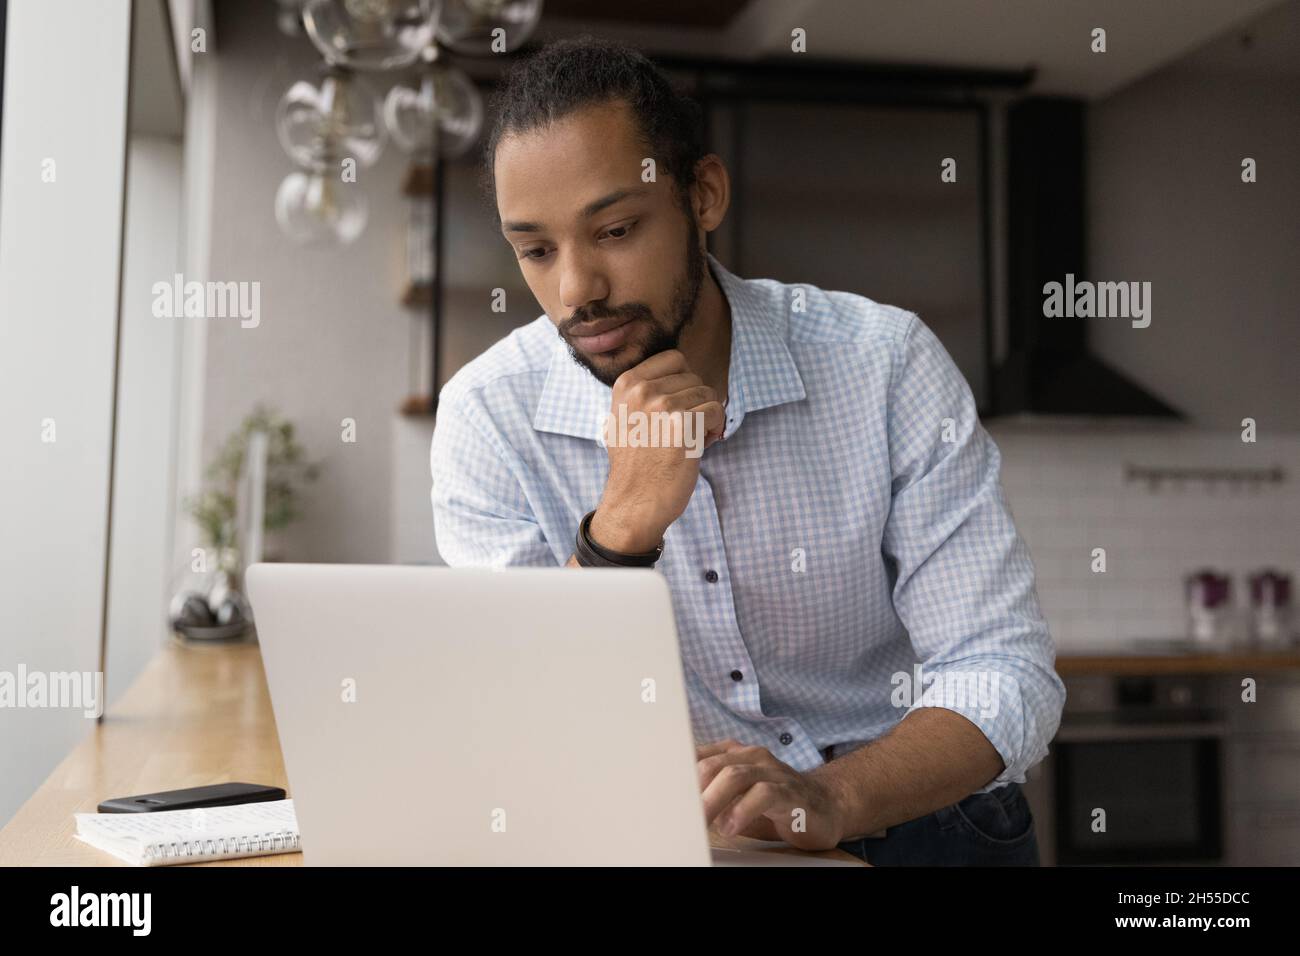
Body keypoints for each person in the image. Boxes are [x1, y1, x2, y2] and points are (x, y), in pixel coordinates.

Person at [430, 36, 1064, 865]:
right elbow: (519, 723)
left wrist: (833, 798)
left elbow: (1003, 667)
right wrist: (618, 530)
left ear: (704, 195)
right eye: (537, 251)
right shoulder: (487, 415)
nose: (576, 289)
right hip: (690, 839)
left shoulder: (885, 364)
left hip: (925, 821)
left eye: (615, 229)